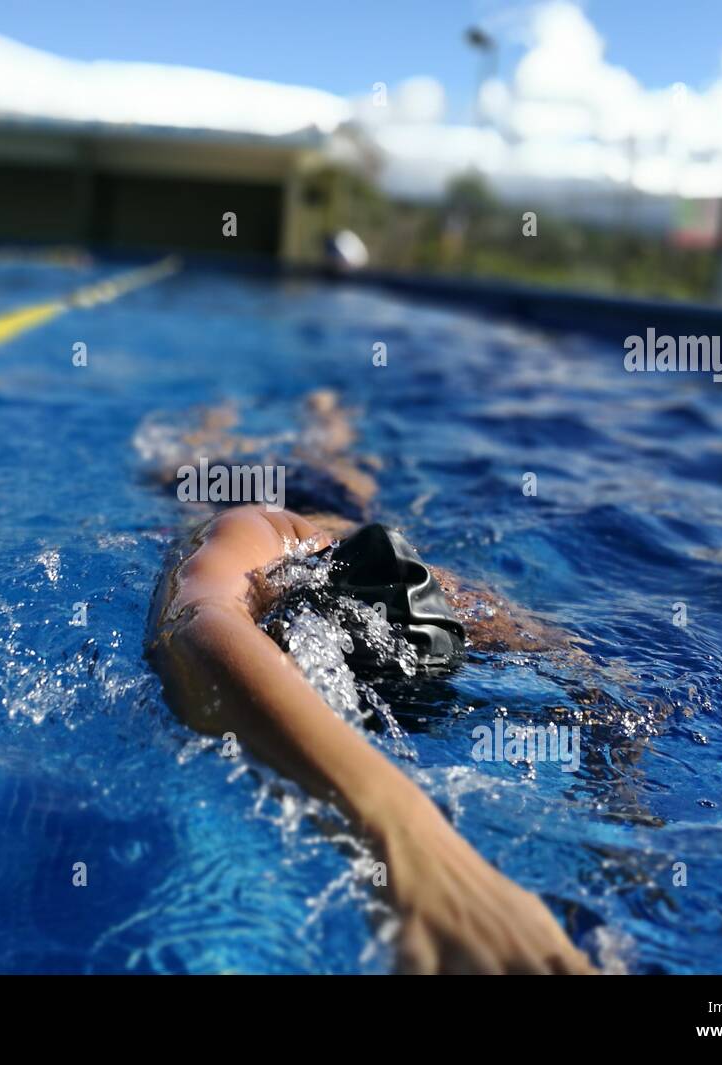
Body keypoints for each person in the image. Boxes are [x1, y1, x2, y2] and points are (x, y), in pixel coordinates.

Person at [143, 390, 599, 974]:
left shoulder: (458, 601)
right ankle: (227, 414)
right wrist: (410, 840)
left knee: (342, 472)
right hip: (264, 501)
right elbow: (195, 622)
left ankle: (321, 417)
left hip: (339, 507)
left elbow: (595, 677)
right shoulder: (259, 531)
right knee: (190, 471)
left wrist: (621, 803)